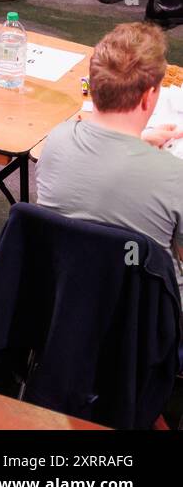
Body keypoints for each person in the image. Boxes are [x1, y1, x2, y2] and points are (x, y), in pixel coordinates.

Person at [36, 23, 183, 301]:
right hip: (152, 322)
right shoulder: (175, 176)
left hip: (64, 304)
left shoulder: (56, 140)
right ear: (149, 96)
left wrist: (140, 142)